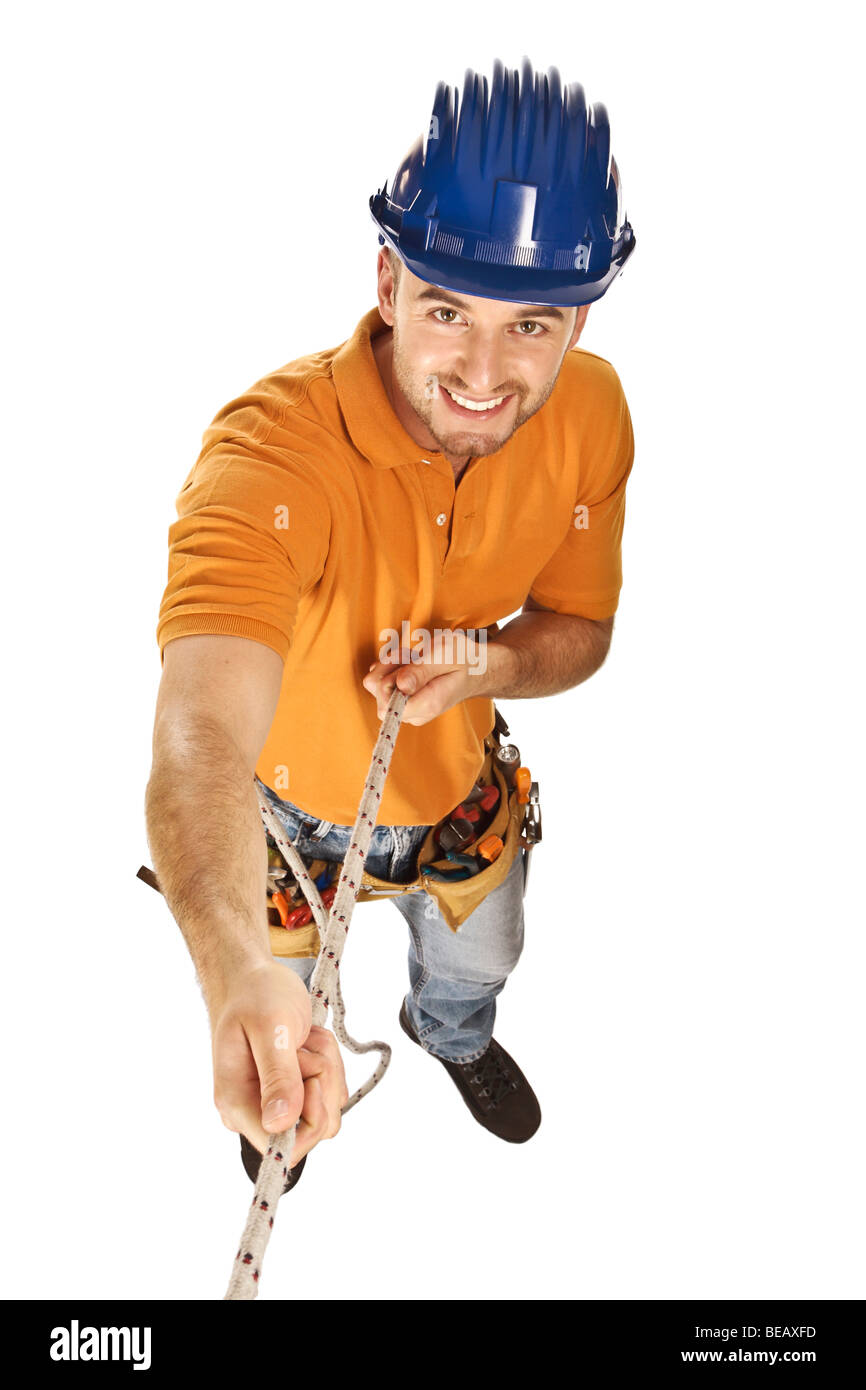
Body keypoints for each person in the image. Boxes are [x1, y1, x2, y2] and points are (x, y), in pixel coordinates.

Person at [145, 56, 636, 1194]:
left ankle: (448, 1034)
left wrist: (492, 665)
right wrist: (231, 976)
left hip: (452, 793)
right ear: (386, 279)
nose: (481, 373)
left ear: (578, 317)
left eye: (533, 326)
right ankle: (276, 1070)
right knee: (279, 1007)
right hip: (278, 817)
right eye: (447, 310)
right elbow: (199, 732)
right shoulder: (271, 455)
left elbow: (579, 626)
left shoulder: (595, 414)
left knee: (484, 956)